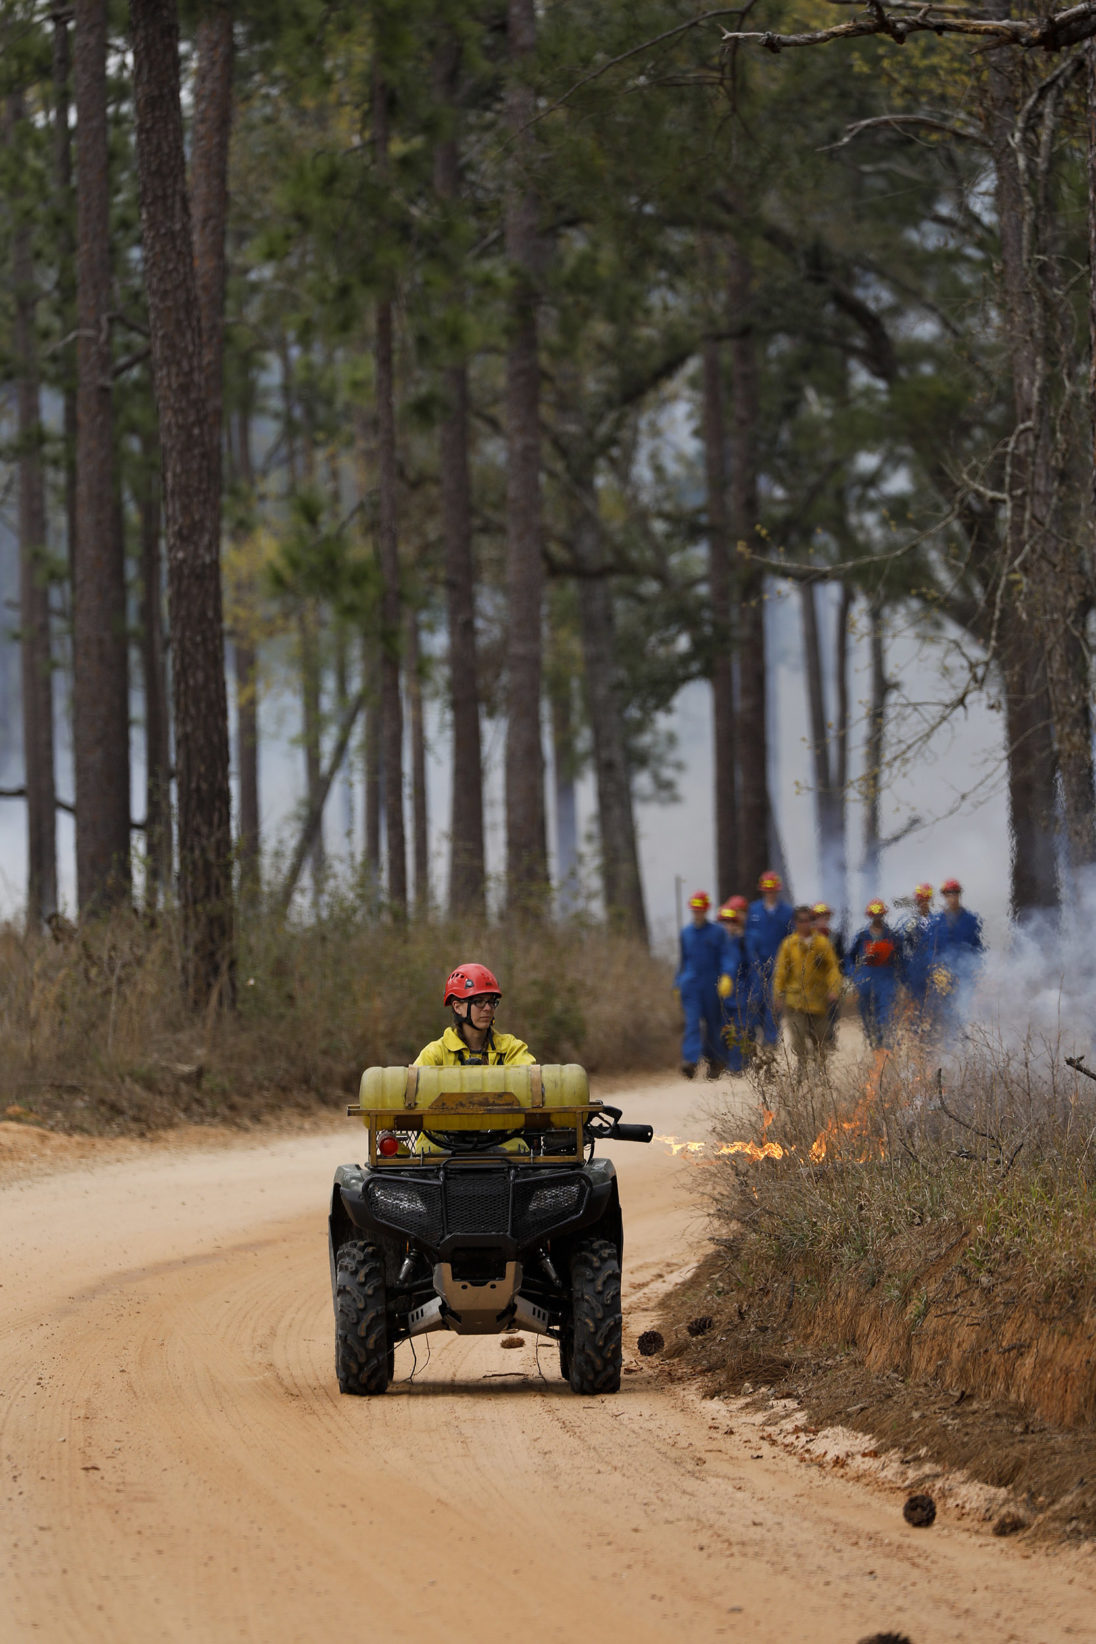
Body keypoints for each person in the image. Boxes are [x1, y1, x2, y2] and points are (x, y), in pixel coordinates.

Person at [413, 963, 535, 1066]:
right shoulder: (436, 1054)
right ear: (457, 1007)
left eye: (491, 1002)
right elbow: (412, 1089)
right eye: (479, 1001)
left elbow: (533, 1082)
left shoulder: (511, 1049)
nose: (488, 1008)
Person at [772, 905, 843, 1080]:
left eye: (808, 920)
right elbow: (781, 971)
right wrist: (778, 994)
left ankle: (820, 1070)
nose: (805, 924)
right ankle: (801, 1069)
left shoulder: (821, 943)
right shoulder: (789, 944)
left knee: (820, 1038)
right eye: (801, 921)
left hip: (818, 999)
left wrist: (834, 988)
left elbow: (832, 968)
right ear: (796, 923)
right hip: (795, 1000)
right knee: (797, 1037)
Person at [674, 891, 726, 1080]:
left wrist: (726, 977)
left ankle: (715, 1061)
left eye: (701, 910)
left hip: (712, 983)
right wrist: (677, 983)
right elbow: (682, 960)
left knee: (713, 1024)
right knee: (692, 1022)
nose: (698, 914)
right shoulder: (686, 933)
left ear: (706, 910)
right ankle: (690, 1061)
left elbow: (725, 957)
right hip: (691, 983)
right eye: (695, 910)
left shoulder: (717, 932)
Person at [744, 871, 795, 1054]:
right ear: (762, 891)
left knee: (775, 1003)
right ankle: (756, 1037)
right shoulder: (753, 911)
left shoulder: (788, 912)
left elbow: (791, 940)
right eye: (767, 890)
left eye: (773, 890)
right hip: (756, 966)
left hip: (779, 966)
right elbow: (748, 938)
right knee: (755, 1001)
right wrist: (753, 960)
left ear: (777, 891)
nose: (770, 893)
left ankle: (771, 1042)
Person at [845, 899, 903, 1049]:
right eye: (874, 915)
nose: (877, 918)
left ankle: (887, 1051)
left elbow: (902, 961)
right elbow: (850, 959)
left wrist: (902, 980)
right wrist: (855, 977)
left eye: (880, 915)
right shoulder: (862, 937)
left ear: (883, 915)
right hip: (866, 985)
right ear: (870, 916)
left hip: (887, 984)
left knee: (886, 1019)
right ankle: (875, 1049)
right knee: (869, 1021)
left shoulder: (892, 937)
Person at [930, 879, 984, 1024]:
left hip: (965, 973)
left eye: (954, 893)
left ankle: (961, 1041)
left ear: (959, 895)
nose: (952, 896)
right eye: (948, 893)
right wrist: (935, 969)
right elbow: (932, 949)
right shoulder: (936, 921)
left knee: (963, 1008)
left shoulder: (971, 920)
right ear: (944, 896)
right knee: (944, 1012)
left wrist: (978, 971)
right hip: (943, 973)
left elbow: (977, 947)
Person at [716, 897, 751, 1073]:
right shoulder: (714, 944)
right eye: (724, 922)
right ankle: (722, 1064)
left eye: (731, 922)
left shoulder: (742, 943)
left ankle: (738, 1066)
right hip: (719, 997)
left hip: (739, 995)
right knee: (722, 1033)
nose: (727, 926)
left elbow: (749, 967)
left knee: (739, 1031)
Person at [900, 882, 937, 1029]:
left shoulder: (938, 921)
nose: (923, 904)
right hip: (916, 970)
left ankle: (934, 1031)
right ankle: (917, 1033)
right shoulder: (909, 924)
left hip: (934, 968)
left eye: (925, 900)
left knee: (935, 1003)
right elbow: (905, 948)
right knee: (916, 1003)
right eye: (920, 901)